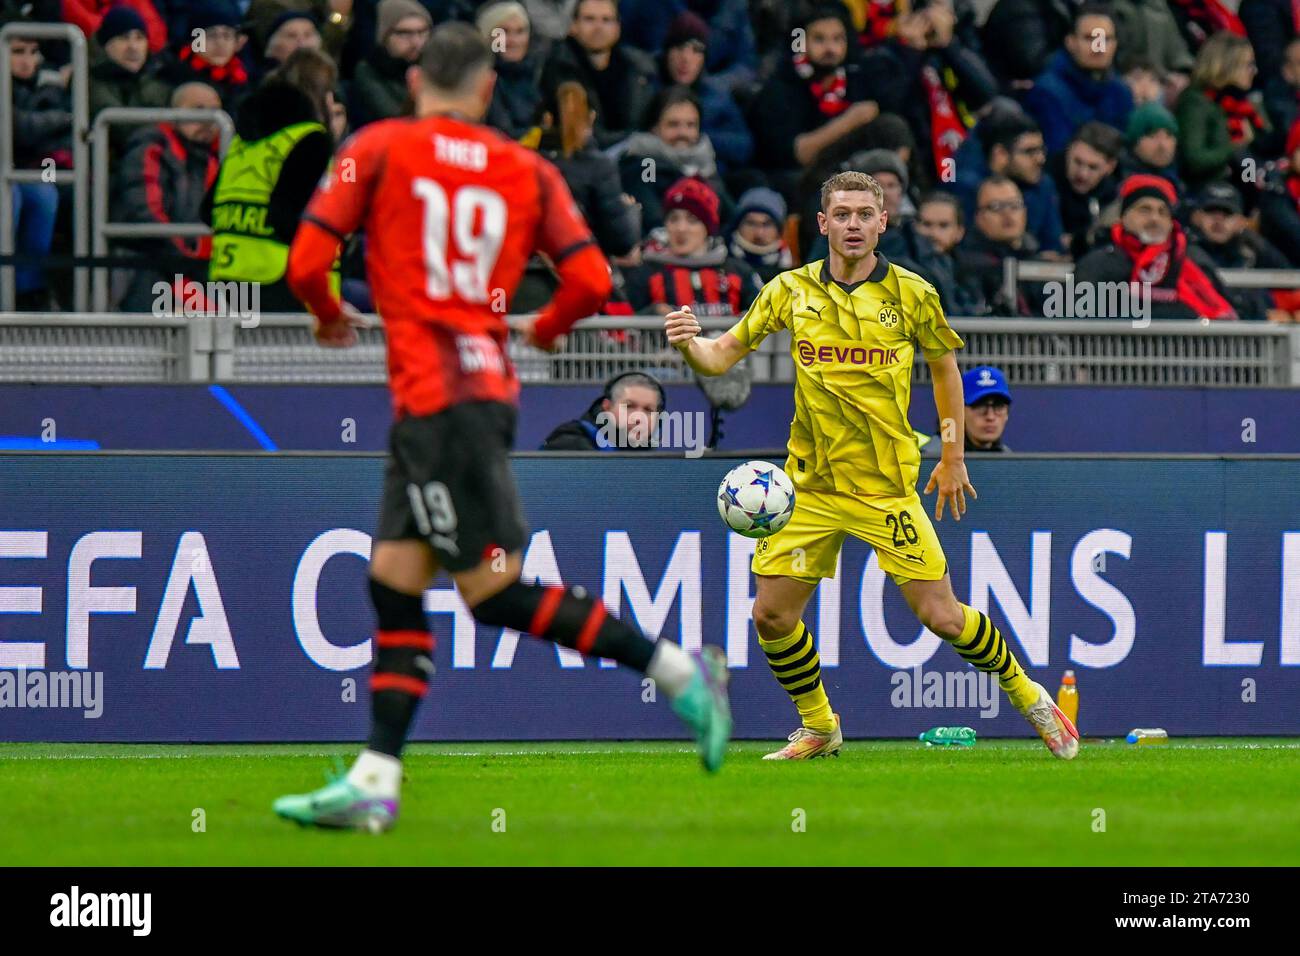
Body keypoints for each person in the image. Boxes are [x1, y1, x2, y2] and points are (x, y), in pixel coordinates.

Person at [276, 23, 731, 831]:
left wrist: (326, 317)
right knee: (394, 581)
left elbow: (306, 265)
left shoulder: (379, 148)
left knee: (488, 591)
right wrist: (546, 328)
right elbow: (592, 278)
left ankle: (676, 669)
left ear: (416, 83)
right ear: (489, 90)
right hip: (471, 397)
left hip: (440, 405)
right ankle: (376, 780)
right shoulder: (525, 168)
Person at [663, 169, 1079, 762]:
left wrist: (954, 455)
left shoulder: (913, 293)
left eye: (865, 214)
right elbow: (721, 354)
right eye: (842, 214)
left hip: (886, 488)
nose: (853, 224)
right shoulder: (789, 290)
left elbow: (944, 371)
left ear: (883, 222)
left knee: (941, 615)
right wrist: (689, 344)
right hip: (808, 488)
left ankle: (1031, 696)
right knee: (771, 615)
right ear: (823, 223)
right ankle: (820, 727)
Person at [203, 48, 338, 312]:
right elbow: (289, 218)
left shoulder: (244, 140)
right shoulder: (311, 138)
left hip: (230, 276)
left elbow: (208, 211)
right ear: (322, 95)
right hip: (284, 281)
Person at [112, 82, 223, 312]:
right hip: (150, 263)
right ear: (173, 113)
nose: (208, 120)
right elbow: (145, 213)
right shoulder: (151, 147)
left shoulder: (216, 156)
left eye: (214, 111)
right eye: (198, 110)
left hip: (191, 268)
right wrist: (182, 264)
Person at [1075, 173, 1236, 320]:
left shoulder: (1190, 260)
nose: (1155, 218)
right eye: (1144, 210)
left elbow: (1229, 304)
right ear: (1123, 218)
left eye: (1162, 212)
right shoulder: (1098, 263)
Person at [625, 176, 761, 316]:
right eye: (673, 219)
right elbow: (625, 324)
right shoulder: (647, 273)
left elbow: (766, 316)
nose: (681, 228)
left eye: (692, 220)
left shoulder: (737, 272)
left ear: (707, 228)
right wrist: (651, 314)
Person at [1021, 3, 1134, 157]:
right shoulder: (1047, 92)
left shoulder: (1121, 92)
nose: (1098, 47)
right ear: (1070, 42)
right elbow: (1057, 155)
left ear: (1115, 44)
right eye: (1090, 38)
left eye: (1106, 39)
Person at [540, 0, 656, 148]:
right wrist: (632, 141)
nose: (598, 27)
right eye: (590, 19)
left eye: (606, 20)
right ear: (573, 26)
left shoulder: (639, 68)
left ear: (617, 27)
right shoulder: (555, 68)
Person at [8, 33, 68, 310]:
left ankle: (29, 290)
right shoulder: (49, 84)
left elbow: (32, 129)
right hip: (6, 173)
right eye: (18, 51)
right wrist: (56, 119)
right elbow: (19, 127)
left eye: (33, 52)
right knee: (10, 199)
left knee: (44, 195)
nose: (27, 60)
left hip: (25, 170)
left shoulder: (47, 82)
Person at [618, 85, 730, 231]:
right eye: (673, 125)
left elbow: (727, 213)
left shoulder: (704, 162)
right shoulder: (646, 163)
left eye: (691, 125)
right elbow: (652, 217)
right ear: (654, 128)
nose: (683, 133)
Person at [654, 11, 752, 172]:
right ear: (666, 53)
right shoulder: (647, 89)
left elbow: (744, 145)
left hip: (712, 177)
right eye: (679, 48)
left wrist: (696, 136)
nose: (686, 58)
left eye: (696, 50)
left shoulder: (716, 96)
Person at [1174, 31, 1272, 192]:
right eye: (1248, 65)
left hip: (1242, 184)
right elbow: (1194, 159)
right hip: (1209, 191)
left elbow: (1256, 151)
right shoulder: (1196, 102)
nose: (1254, 71)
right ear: (1225, 64)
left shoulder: (1243, 105)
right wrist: (1233, 148)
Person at [1187, 182, 1293, 321]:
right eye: (1211, 212)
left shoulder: (1251, 249)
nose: (1218, 220)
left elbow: (1288, 276)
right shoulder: (1184, 251)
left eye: (1227, 213)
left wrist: (1252, 238)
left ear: (1240, 221)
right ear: (1196, 217)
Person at [88, 6, 174, 157]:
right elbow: (121, 129)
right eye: (123, 37)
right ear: (105, 44)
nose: (133, 47)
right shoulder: (91, 79)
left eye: (139, 37)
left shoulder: (161, 81)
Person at [955, 175, 1041, 315]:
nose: (1007, 214)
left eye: (1014, 205)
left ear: (1025, 212)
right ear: (978, 217)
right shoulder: (965, 267)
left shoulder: (1037, 261)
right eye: (995, 207)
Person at [349, 0, 430, 127]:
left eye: (422, 32)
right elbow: (393, 116)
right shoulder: (369, 70)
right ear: (385, 36)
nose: (416, 42)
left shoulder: (433, 66)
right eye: (404, 33)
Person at [541, 370, 665, 450]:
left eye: (648, 410)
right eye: (629, 406)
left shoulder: (653, 464)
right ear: (607, 407)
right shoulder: (570, 443)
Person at [1052, 121, 1123, 258]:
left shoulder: (1114, 197)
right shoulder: (1047, 182)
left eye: (1093, 167)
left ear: (1110, 166)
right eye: (1077, 162)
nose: (1082, 174)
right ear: (1068, 151)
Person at [162, 0, 250, 110]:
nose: (220, 43)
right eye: (211, 35)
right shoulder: (170, 78)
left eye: (227, 35)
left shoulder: (243, 80)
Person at [479, 1, 545, 140]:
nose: (513, 40)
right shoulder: (481, 78)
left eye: (520, 31)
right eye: (504, 32)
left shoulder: (538, 72)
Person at [726, 187, 793, 283]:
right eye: (751, 223)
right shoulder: (721, 263)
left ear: (779, 230)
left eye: (767, 224)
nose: (759, 233)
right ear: (738, 225)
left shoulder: (791, 271)